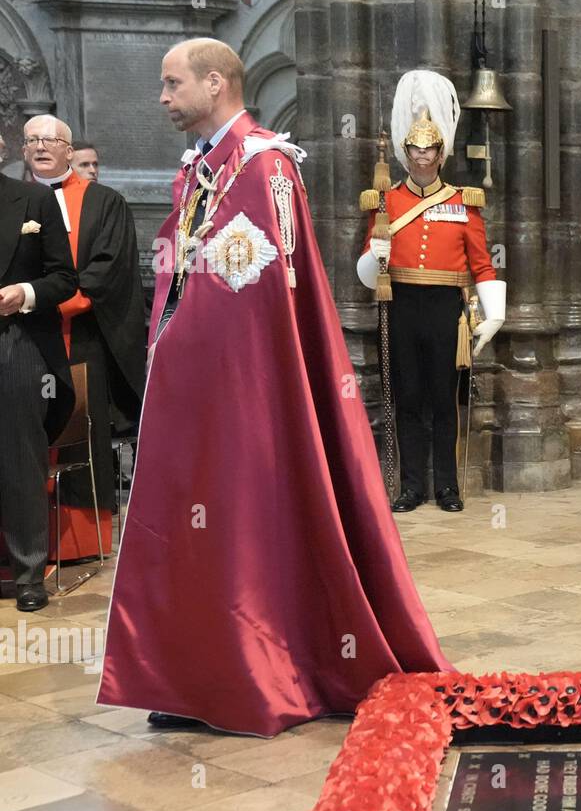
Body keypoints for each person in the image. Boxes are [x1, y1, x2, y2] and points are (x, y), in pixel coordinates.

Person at [97, 38, 453, 736]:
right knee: (195, 526)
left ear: (216, 82)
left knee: (242, 524)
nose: (163, 99)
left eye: (173, 85)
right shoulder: (207, 165)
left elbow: (261, 287)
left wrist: (205, 355)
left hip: (244, 389)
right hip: (199, 388)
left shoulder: (264, 166)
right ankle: (196, 676)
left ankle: (257, 672)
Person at [356, 69, 505, 513]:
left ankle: (448, 487)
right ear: (405, 151)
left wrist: (493, 312)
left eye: (430, 149)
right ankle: (411, 486)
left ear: (442, 152)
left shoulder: (464, 201)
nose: (423, 156)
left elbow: (481, 262)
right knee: (407, 399)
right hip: (400, 306)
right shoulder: (385, 202)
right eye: (416, 148)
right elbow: (367, 267)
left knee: (445, 402)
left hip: (447, 310)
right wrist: (374, 255)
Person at [22, 115, 145, 561]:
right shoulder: (11, 199)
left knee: (77, 434)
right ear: (22, 150)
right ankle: (20, 543)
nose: (41, 146)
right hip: (19, 340)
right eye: (32, 139)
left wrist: (45, 301)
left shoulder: (103, 202)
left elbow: (108, 270)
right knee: (21, 440)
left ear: (68, 151)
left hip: (80, 337)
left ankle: (76, 543)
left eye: (51, 139)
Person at [0, 132, 77, 612]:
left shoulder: (33, 199)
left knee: (21, 460)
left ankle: (29, 573)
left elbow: (63, 277)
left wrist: (22, 294)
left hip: (16, 342)